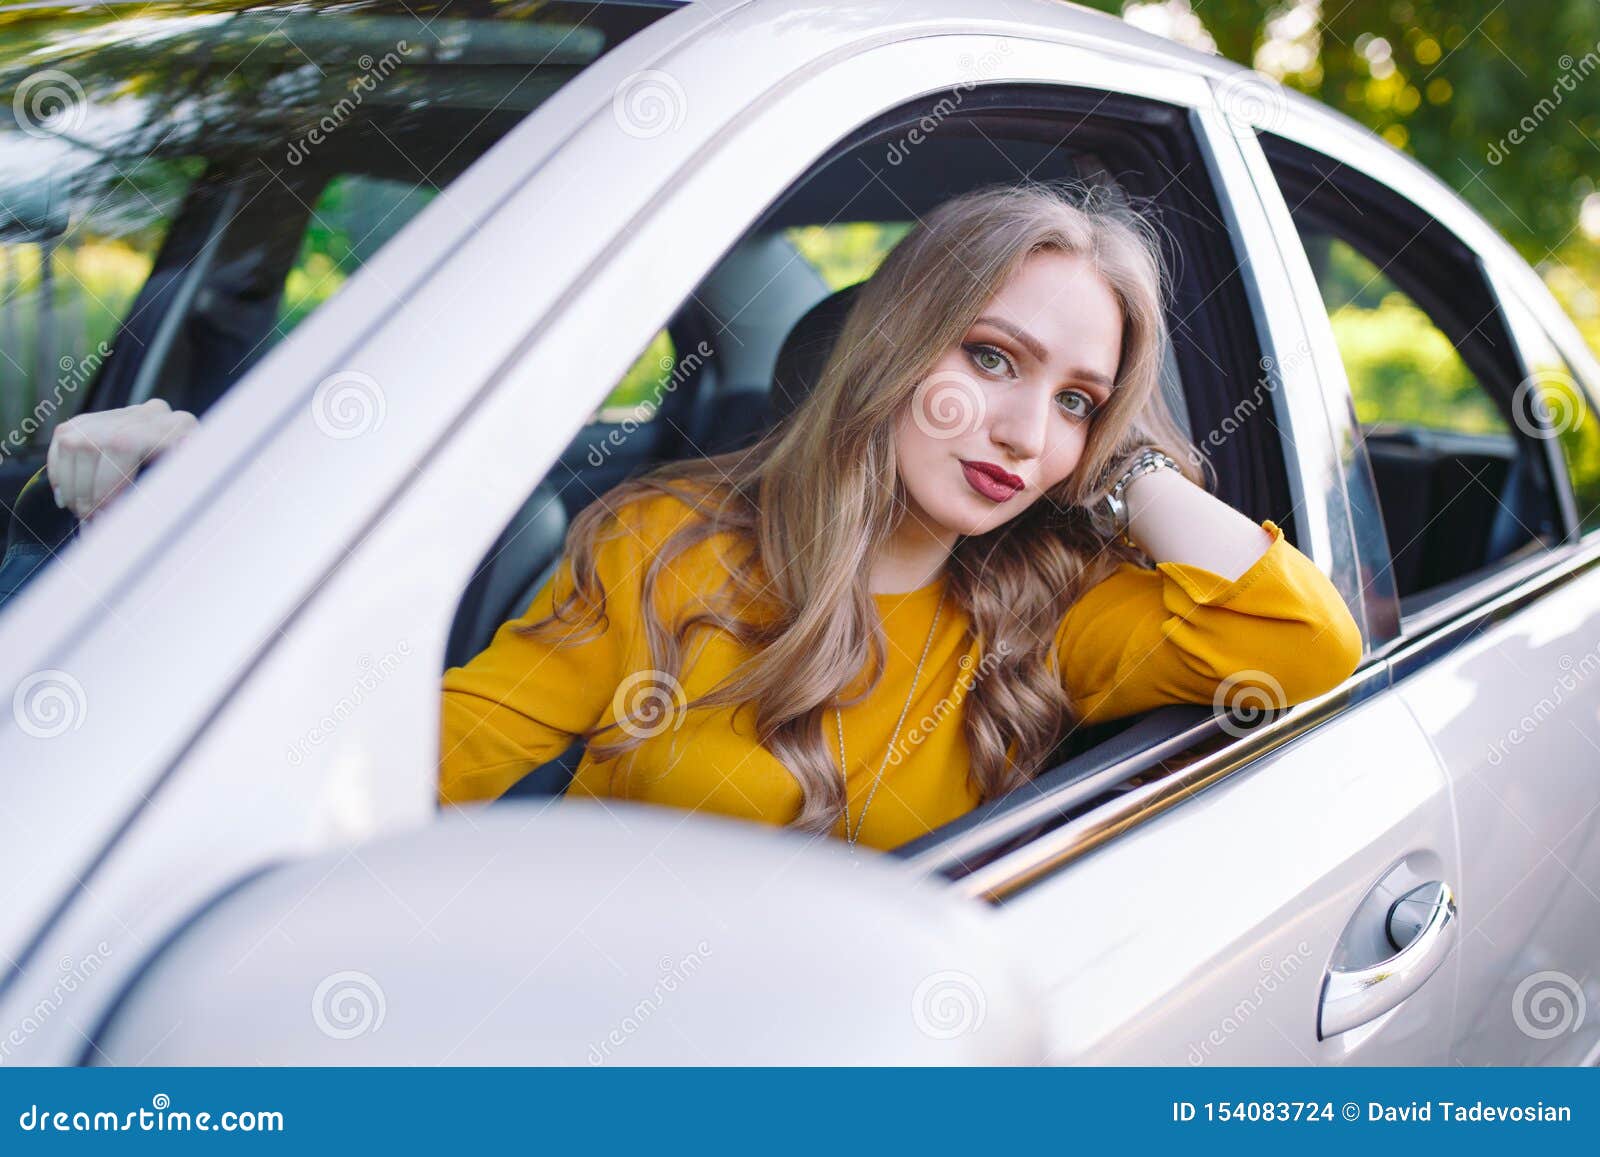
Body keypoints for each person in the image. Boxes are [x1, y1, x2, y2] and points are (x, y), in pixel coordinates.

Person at [43, 182, 1362, 852]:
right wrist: (198, 563)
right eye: (991, 359)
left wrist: (1126, 473)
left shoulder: (1051, 614)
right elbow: (425, 764)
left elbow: (1309, 644)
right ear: (896, 343)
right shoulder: (664, 544)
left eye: (1079, 401)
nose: (1026, 433)